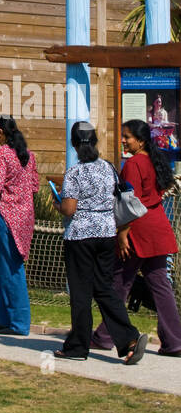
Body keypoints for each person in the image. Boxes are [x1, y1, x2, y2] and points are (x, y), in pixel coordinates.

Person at [54, 121, 148, 363]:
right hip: (107, 234)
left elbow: (69, 208)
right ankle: (129, 338)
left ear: (74, 144)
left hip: (81, 236)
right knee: (104, 288)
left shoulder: (75, 172)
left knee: (81, 293)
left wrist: (57, 204)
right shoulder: (109, 168)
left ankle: (77, 347)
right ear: (95, 141)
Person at [91, 119, 181, 357]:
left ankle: (103, 337)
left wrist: (122, 234)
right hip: (158, 227)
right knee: (161, 286)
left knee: (119, 284)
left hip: (137, 232)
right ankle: (175, 342)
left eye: (127, 137)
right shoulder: (156, 161)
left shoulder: (133, 164)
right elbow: (156, 194)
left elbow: (130, 204)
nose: (123, 140)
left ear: (140, 141)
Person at [0, 115, 40, 335]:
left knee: (10, 269)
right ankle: (4, 318)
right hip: (25, 216)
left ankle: (18, 323)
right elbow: (34, 186)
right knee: (1, 266)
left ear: (0, 132)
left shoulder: (1, 153)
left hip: (6, 214)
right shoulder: (28, 155)